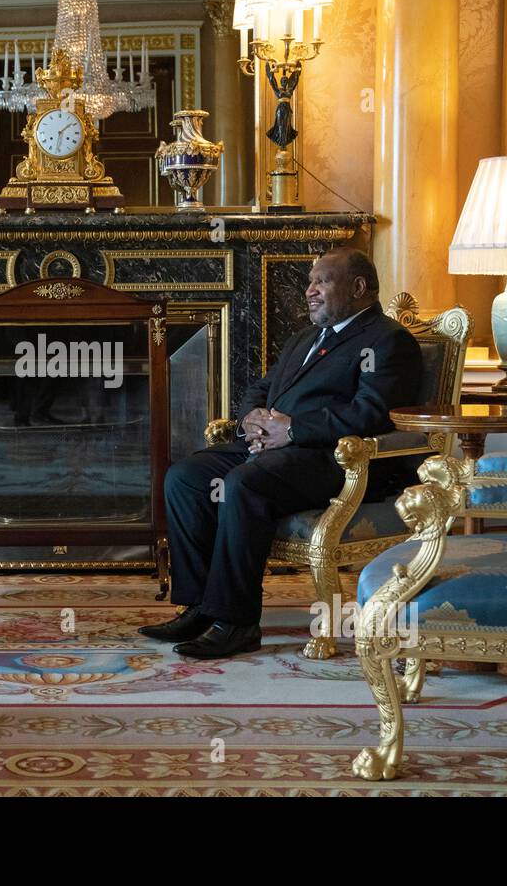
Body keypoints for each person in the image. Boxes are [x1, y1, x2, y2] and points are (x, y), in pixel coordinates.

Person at [142, 248, 423, 659]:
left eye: (321, 281)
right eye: (310, 281)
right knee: (184, 477)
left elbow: (371, 413)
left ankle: (236, 622)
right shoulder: (306, 338)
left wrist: (290, 430)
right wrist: (251, 421)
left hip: (333, 459)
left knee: (244, 484)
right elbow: (263, 387)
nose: (309, 291)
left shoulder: (388, 340)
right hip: (272, 449)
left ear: (359, 287)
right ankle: (200, 605)